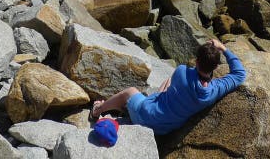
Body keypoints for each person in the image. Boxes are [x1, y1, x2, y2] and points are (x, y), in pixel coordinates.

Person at [91, 39, 246, 135]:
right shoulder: (212, 92)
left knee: (131, 91)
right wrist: (224, 49)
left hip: (146, 115)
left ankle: (97, 110)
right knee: (168, 84)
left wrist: (217, 47)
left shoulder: (182, 72)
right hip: (163, 130)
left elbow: (182, 76)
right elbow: (240, 74)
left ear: (197, 62)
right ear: (216, 67)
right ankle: (127, 109)